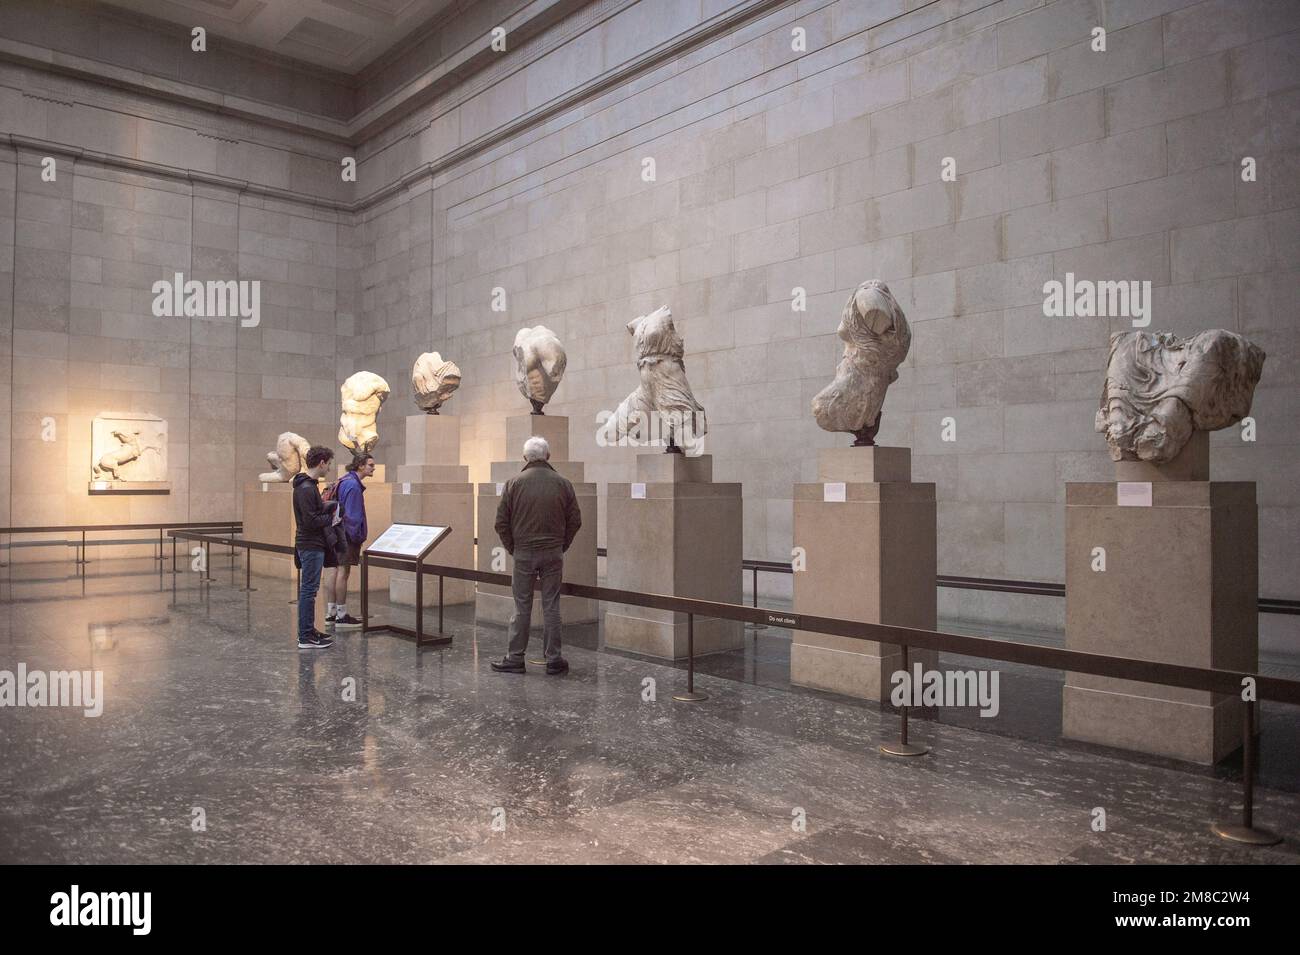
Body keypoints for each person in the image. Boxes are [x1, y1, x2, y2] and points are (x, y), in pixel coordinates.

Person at [490, 436, 582, 675]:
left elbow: (501, 523)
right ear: (548, 456)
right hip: (553, 552)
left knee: (522, 606)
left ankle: (515, 657)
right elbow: (575, 521)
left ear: (525, 458)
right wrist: (561, 545)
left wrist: (513, 548)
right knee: (551, 605)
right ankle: (554, 659)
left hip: (523, 553)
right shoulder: (563, 483)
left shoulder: (513, 483)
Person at [292, 446, 337, 650]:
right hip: (310, 544)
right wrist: (332, 518)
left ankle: (309, 631)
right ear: (321, 462)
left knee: (310, 589)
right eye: (328, 464)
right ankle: (305, 635)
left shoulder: (306, 486)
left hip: (310, 543)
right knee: (309, 590)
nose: (328, 468)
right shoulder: (307, 488)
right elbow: (311, 521)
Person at [327, 452, 374, 630]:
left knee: (335, 571)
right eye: (370, 465)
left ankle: (331, 612)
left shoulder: (344, 480)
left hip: (336, 532)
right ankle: (341, 615)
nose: (373, 468)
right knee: (343, 573)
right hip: (346, 535)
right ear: (360, 465)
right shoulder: (353, 486)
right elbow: (353, 517)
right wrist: (357, 537)